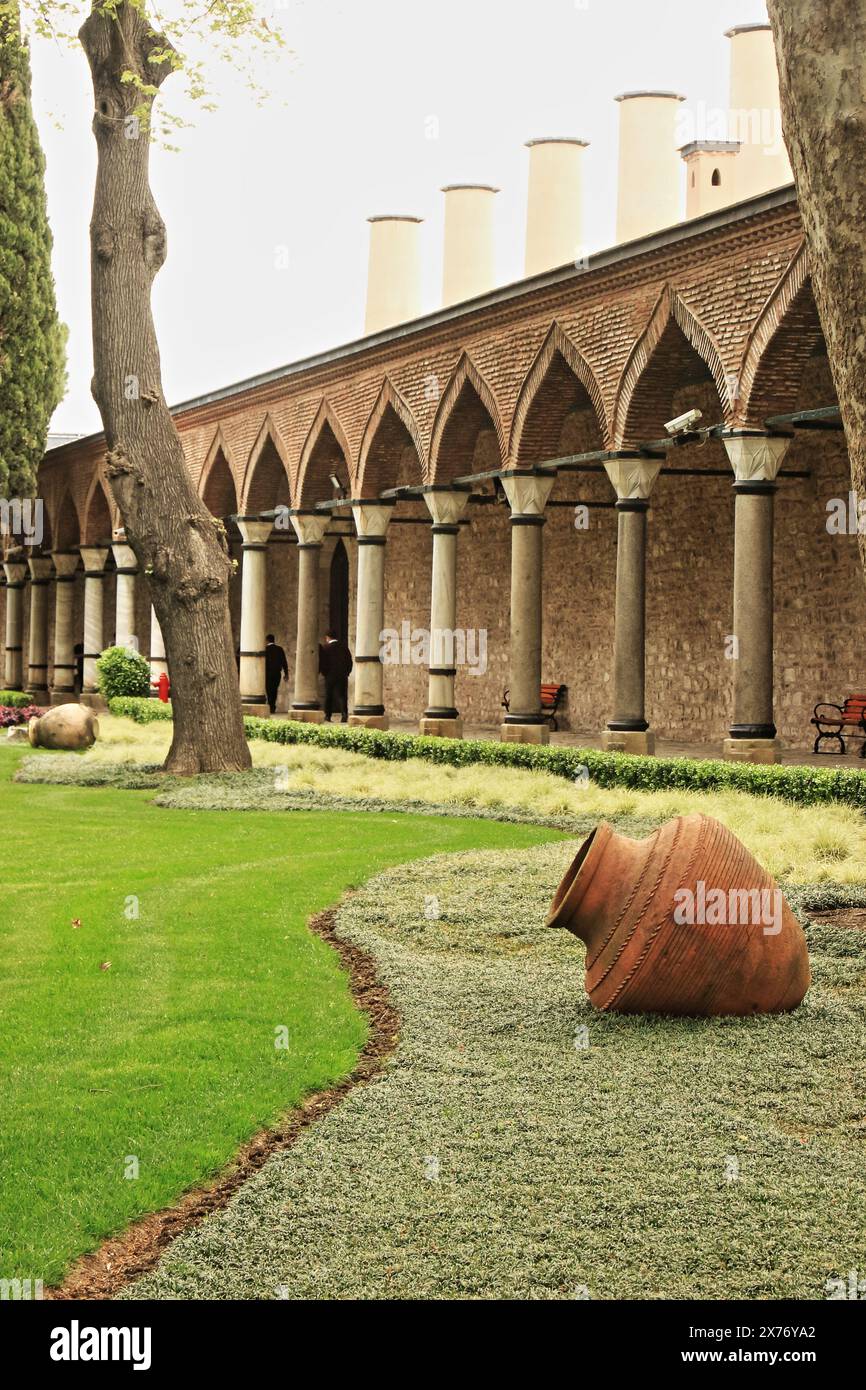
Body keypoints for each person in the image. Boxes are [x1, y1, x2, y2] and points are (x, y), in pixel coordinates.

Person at [320, 629, 353, 722]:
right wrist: (347, 672)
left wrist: (324, 673)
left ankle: (328, 716)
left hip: (330, 675)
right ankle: (344, 714)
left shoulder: (325, 648)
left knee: (328, 695)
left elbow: (323, 662)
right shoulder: (344, 647)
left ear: (327, 637)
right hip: (342, 675)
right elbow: (349, 661)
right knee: (342, 696)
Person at [264, 633, 288, 715]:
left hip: (267, 673)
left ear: (267, 640)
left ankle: (270, 706)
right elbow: (284, 662)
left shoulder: (265, 649)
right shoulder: (280, 649)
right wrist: (286, 673)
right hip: (277, 673)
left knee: (269, 690)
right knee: (274, 690)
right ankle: (272, 707)